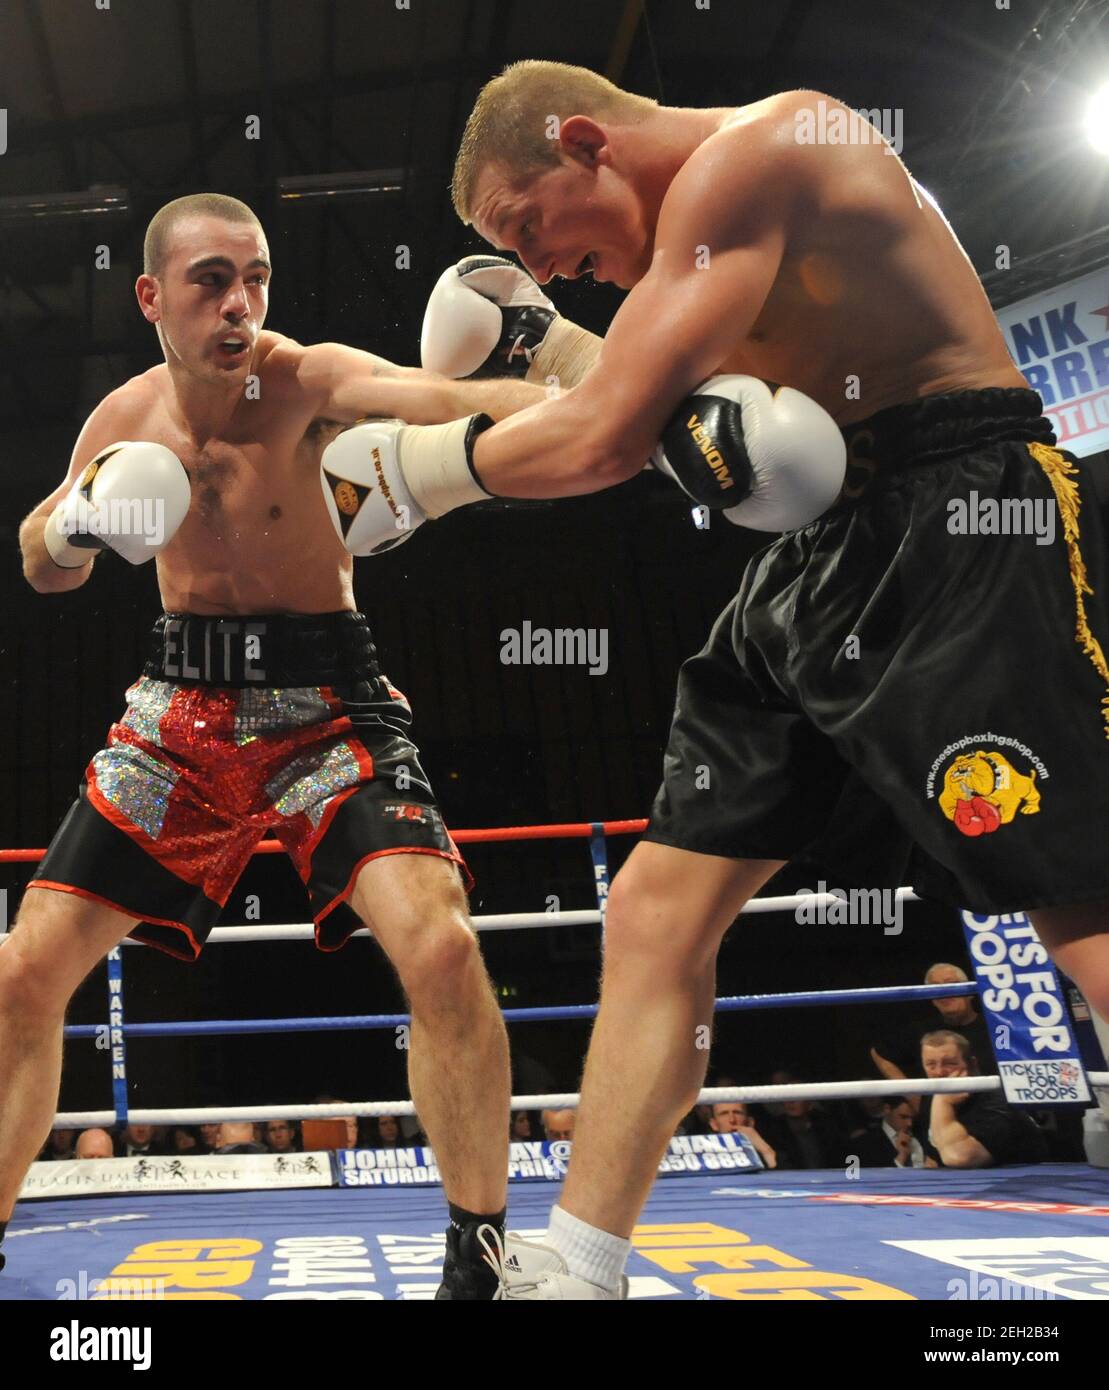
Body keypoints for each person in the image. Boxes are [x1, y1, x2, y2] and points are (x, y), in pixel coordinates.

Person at [386, 60, 1109, 1295]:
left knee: (1073, 893)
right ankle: (578, 1264)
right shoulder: (694, 241)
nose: (545, 263)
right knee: (657, 908)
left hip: (959, 511)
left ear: (582, 143)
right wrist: (545, 351)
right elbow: (689, 419)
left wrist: (406, 471)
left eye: (529, 228)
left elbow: (614, 431)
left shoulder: (767, 148)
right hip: (818, 555)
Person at [0, 192, 554, 1294]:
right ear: (152, 294)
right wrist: (74, 524)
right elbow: (38, 562)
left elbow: (437, 395)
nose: (241, 302)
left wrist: (570, 381)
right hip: (177, 716)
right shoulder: (122, 417)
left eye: (255, 276)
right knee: (23, 972)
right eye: (212, 278)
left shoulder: (304, 380)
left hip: (327, 705)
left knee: (441, 946)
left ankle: (479, 1251)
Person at [919, 1031, 1048, 1168]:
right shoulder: (931, 1096)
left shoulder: (995, 1100)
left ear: (972, 1064)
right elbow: (933, 1158)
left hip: (1023, 1183)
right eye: (930, 1065)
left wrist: (942, 1101)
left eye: (950, 1063)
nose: (939, 1073)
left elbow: (960, 1157)